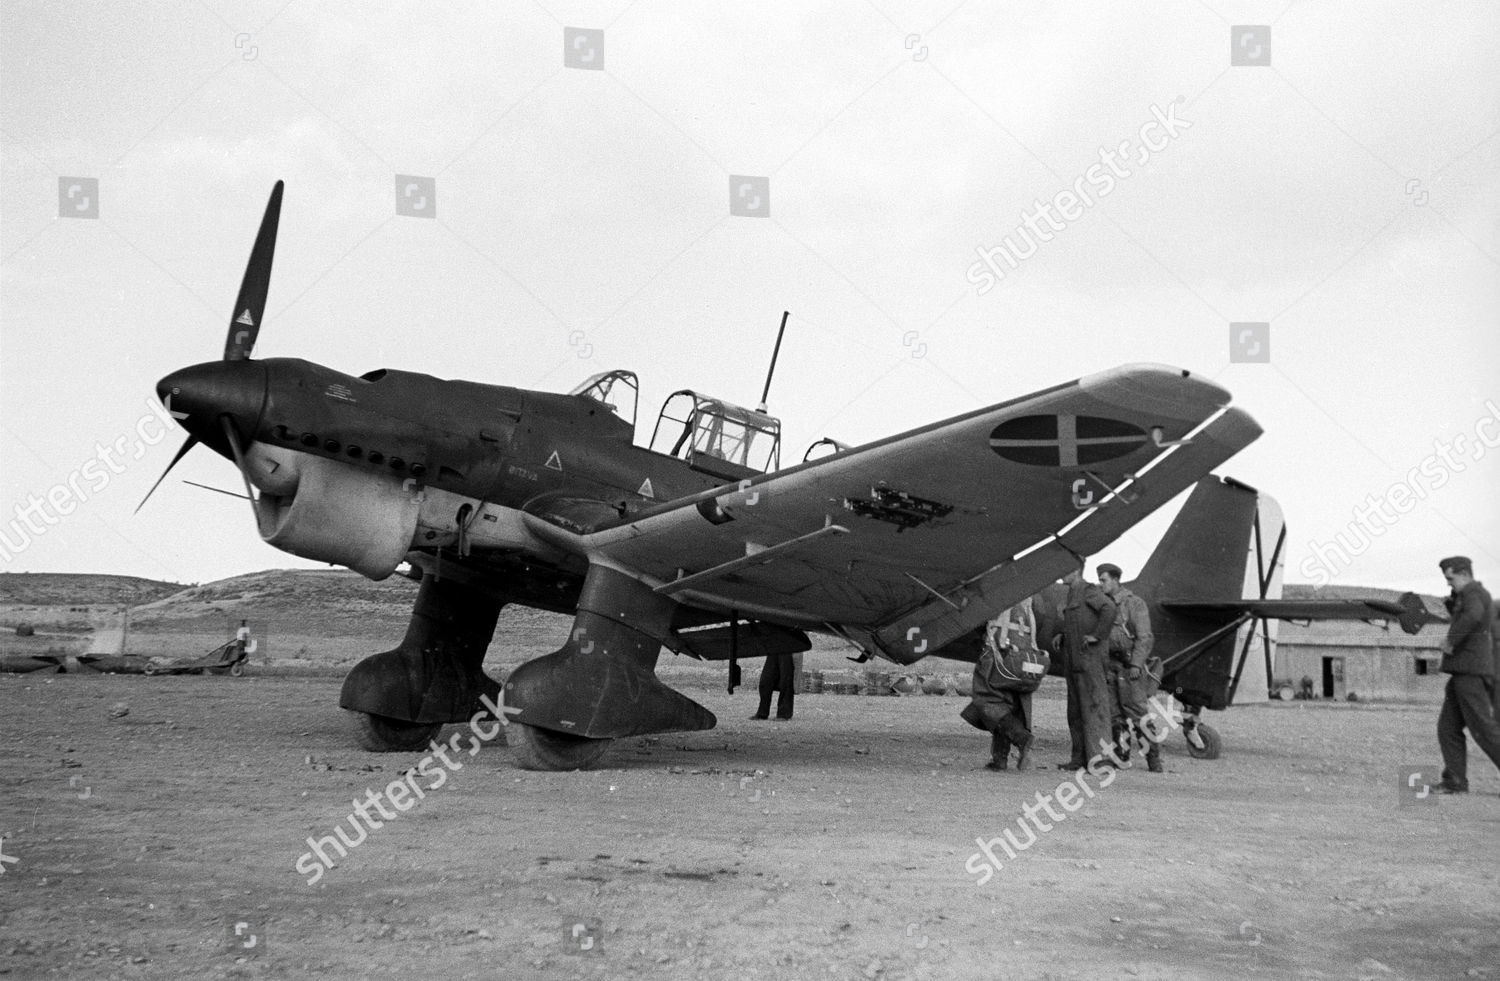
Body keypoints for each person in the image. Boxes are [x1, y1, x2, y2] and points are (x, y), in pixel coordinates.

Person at [1434, 556, 1500, 793]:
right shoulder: (1467, 595)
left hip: (1470, 672)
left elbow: (1472, 616)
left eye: (1450, 578)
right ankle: (1455, 781)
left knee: (1483, 729)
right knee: (1447, 728)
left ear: (1464, 574)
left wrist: (1451, 641)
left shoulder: (1474, 593)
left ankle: (1455, 781)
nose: (1448, 583)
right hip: (1462, 671)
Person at [1098, 563, 1162, 773]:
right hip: (1110, 665)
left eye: (1104, 580)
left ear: (1116, 580)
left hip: (1129, 666)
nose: (1101, 584)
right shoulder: (1104, 603)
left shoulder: (1134, 603)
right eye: (1099, 580)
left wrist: (1136, 663)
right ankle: (1121, 756)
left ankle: (1154, 760)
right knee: (1114, 714)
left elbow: (1145, 637)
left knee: (1138, 713)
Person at [961, 600, 1038, 771]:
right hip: (1022, 657)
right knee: (1009, 707)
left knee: (986, 700)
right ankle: (999, 760)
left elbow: (976, 617)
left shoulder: (998, 594)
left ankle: (1022, 738)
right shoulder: (1027, 598)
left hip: (998, 653)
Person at [1053, 565, 1117, 770]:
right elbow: (1078, 622)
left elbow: (1109, 608)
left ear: (1076, 570)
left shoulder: (1088, 589)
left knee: (1095, 710)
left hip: (1090, 663)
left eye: (1065, 569)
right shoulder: (1072, 592)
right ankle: (1079, 759)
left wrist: (1097, 635)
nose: (1061, 573)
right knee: (1075, 713)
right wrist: (1063, 635)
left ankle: (1101, 760)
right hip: (1075, 663)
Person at [752, 652, 795, 721]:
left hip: (789, 649)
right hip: (774, 648)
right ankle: (762, 713)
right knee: (765, 680)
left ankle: (784, 714)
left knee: (786, 680)